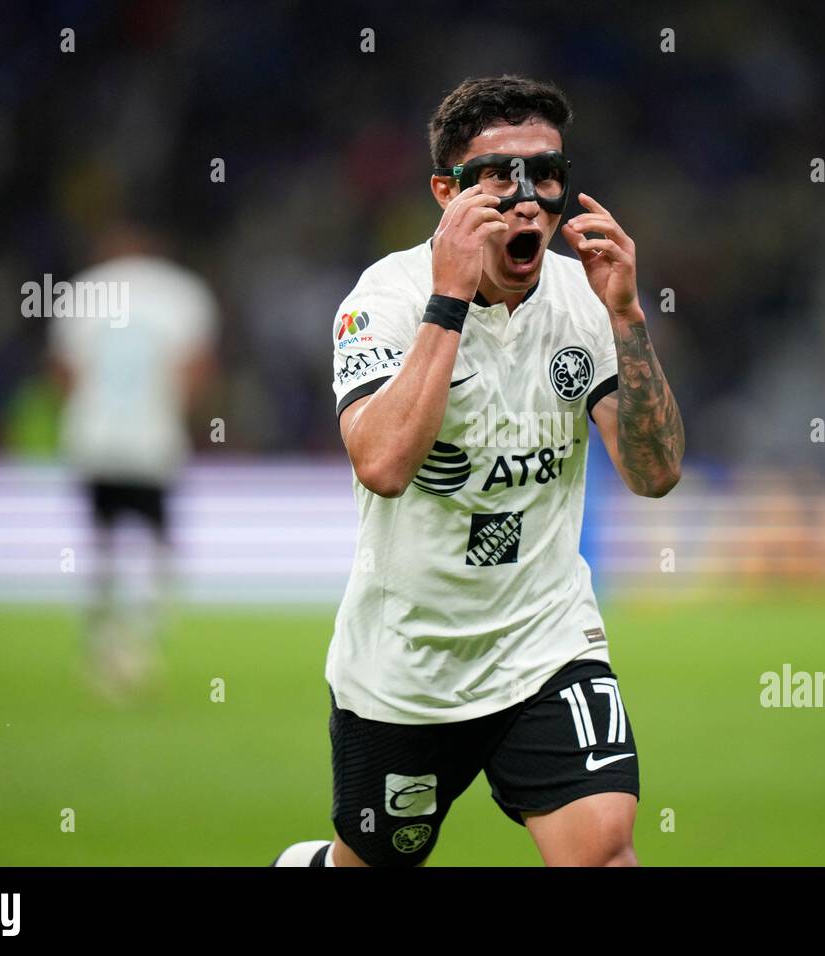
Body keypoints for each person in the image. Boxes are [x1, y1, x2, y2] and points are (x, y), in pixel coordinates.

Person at [276, 75, 683, 867]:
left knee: (603, 852)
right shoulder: (383, 302)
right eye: (499, 176)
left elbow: (655, 472)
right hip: (409, 667)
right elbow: (384, 464)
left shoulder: (584, 299)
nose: (527, 200)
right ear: (444, 192)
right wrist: (450, 300)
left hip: (545, 644)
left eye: (546, 173)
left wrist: (628, 319)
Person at [48, 223, 218, 696]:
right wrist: (168, 412)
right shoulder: (182, 294)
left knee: (102, 542)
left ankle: (102, 636)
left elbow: (63, 372)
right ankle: (141, 637)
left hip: (95, 439)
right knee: (159, 542)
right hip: (151, 441)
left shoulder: (84, 290)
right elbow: (196, 371)